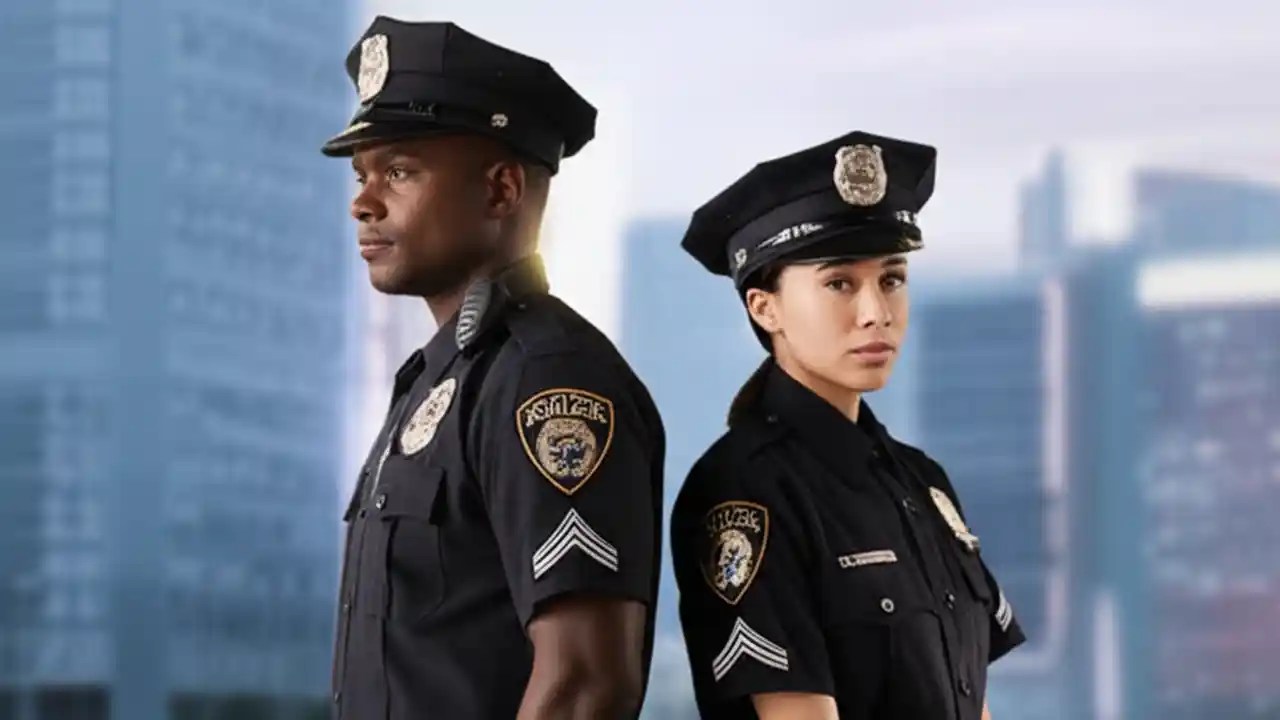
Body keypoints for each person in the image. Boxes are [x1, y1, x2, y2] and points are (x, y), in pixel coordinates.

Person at [321, 17, 664, 719]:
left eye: (400, 172)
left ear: (501, 190)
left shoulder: (548, 380)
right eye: (361, 175)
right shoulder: (441, 378)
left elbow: (585, 685)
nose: (363, 202)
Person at [671, 131, 1025, 719]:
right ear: (765, 307)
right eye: (839, 283)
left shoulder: (921, 482)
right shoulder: (746, 490)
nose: (876, 313)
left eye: (892, 279)